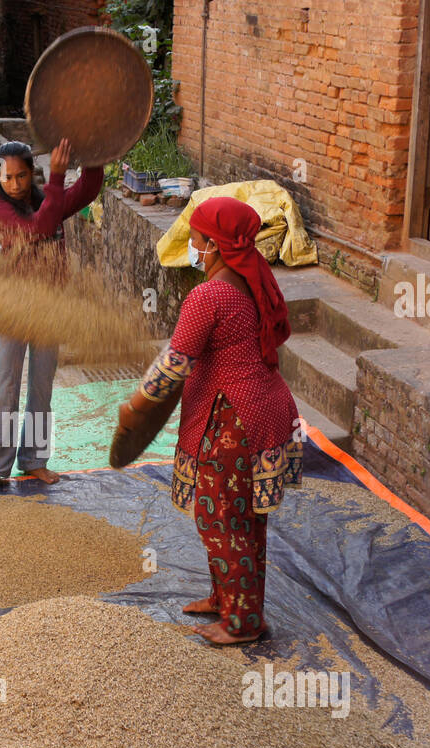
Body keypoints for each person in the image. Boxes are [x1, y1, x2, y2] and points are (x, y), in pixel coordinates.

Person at [118, 197, 302, 645]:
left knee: (222, 518)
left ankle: (243, 623)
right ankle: (227, 599)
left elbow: (176, 363)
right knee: (242, 517)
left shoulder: (210, 295)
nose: (192, 248)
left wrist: (136, 405)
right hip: (263, 409)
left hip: (236, 420)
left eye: (196, 240)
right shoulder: (251, 276)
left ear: (215, 245)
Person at [0, 138, 104, 496]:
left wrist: (94, 153)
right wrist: (58, 177)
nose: (14, 184)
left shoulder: (47, 198)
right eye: (6, 177)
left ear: (32, 174)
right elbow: (39, 229)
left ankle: (34, 460)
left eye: (21, 176)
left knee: (42, 386)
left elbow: (88, 188)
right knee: (6, 387)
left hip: (51, 307)